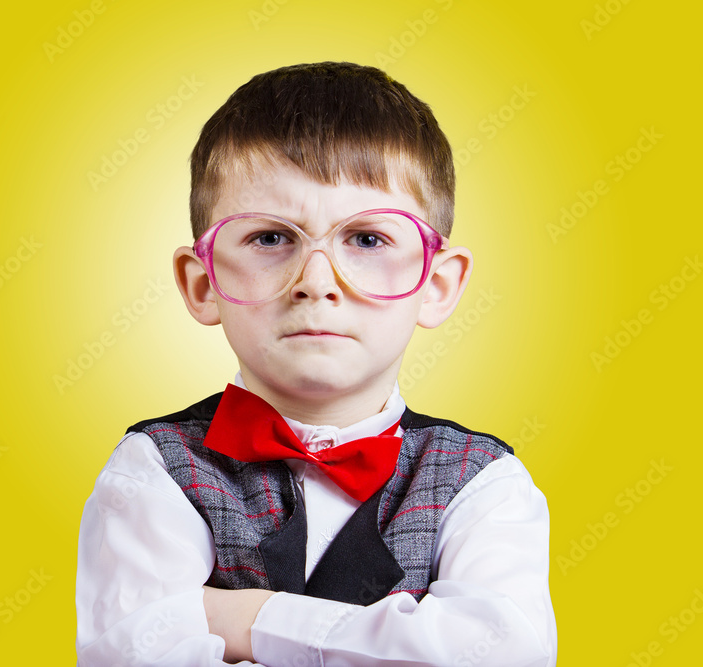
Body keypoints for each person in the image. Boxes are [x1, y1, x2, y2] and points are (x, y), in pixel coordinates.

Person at [75, 61, 556, 666]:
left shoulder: (484, 483)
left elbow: (499, 654)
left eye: (368, 239)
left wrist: (248, 620)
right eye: (271, 238)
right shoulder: (154, 470)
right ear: (204, 284)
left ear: (435, 283)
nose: (317, 282)